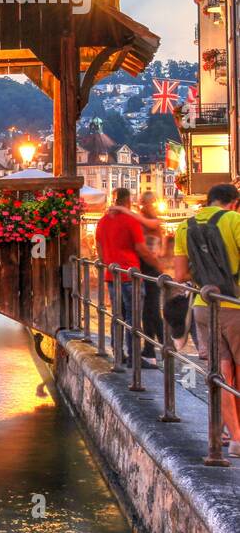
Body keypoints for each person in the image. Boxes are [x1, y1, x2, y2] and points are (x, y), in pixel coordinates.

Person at [173, 183, 240, 457]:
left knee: (221, 374)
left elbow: (179, 275)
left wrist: (204, 276)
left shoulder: (184, 226)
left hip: (204, 305)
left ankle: (235, 438)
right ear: (233, 203)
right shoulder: (234, 220)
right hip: (235, 305)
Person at [95, 187, 161, 368]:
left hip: (111, 274)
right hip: (130, 274)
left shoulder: (102, 221)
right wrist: (157, 264)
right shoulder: (130, 220)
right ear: (128, 201)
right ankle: (134, 357)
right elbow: (141, 248)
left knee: (117, 316)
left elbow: (99, 247)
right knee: (134, 317)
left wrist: (107, 262)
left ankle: (118, 354)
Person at [108, 191, 167, 362]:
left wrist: (123, 209)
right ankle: (150, 349)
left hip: (151, 268)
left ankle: (163, 346)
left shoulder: (152, 221)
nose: (143, 206)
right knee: (146, 312)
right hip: (142, 268)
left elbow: (146, 224)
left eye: (145, 203)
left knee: (152, 311)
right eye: (142, 203)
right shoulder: (138, 220)